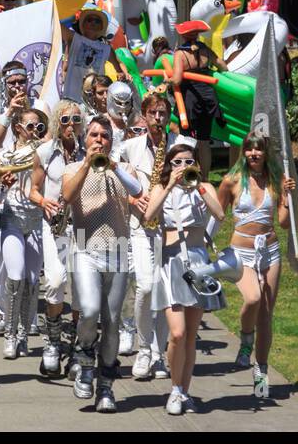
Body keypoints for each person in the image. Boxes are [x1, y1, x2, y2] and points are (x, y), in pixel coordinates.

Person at [60, 117, 142, 413]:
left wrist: (115, 166)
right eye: (93, 135)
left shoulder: (123, 169)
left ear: (112, 140)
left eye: (104, 136)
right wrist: (87, 164)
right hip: (85, 250)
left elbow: (137, 192)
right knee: (90, 310)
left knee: (111, 324)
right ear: (85, 139)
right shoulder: (72, 169)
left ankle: (105, 385)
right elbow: (67, 196)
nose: (98, 140)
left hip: (117, 253)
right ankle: (83, 359)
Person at [143, 141, 226, 415]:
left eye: (188, 162)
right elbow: (149, 216)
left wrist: (199, 186)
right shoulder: (161, 188)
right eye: (177, 162)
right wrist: (168, 187)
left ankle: (182, 391)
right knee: (176, 332)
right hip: (171, 262)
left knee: (190, 334)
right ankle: (174, 386)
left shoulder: (204, 189)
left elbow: (220, 214)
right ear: (169, 165)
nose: (182, 167)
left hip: (198, 262)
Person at [217, 134, 296, 398]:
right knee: (252, 299)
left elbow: (284, 223)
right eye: (249, 149)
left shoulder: (275, 181)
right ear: (244, 153)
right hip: (241, 252)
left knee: (266, 315)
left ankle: (261, 373)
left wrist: (286, 196)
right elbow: (217, 215)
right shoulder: (231, 181)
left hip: (269, 252)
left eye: (258, 149)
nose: (253, 153)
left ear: (265, 153)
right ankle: (245, 339)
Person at [121, 94, 186, 381]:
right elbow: (116, 182)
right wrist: (133, 200)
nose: (158, 118)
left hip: (170, 227)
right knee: (145, 287)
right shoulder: (129, 148)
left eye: (163, 113)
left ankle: (160, 354)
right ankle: (144, 348)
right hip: (140, 226)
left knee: (165, 292)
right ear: (144, 116)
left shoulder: (181, 146)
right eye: (153, 113)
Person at [0, 107, 49, 360]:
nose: (36, 131)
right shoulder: (5, 154)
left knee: (31, 281)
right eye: (30, 126)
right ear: (17, 128)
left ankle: (22, 334)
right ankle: (9, 333)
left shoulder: (44, 151)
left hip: (37, 219)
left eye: (39, 126)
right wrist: (4, 186)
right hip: (12, 218)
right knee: (15, 276)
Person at [29, 100, 87, 378]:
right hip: (56, 227)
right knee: (55, 281)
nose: (71, 126)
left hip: (85, 226)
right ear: (56, 123)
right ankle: (52, 342)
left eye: (76, 120)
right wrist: (44, 202)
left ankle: (76, 346)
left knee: (80, 289)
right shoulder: (44, 152)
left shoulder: (89, 151)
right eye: (65, 120)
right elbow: (33, 189)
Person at [172, 19, 230, 175]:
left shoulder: (180, 54)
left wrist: (167, 79)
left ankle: (186, 175)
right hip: (208, 98)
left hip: (190, 100)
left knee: (187, 139)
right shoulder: (205, 50)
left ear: (183, 36)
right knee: (204, 141)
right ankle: (204, 177)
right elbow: (223, 66)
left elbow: (177, 79)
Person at [61, 7, 128, 104]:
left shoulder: (106, 48)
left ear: (101, 27)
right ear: (83, 24)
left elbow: (118, 67)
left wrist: (122, 75)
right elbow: (58, 25)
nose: (93, 22)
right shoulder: (74, 38)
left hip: (94, 100)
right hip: (71, 97)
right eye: (89, 20)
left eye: (97, 21)